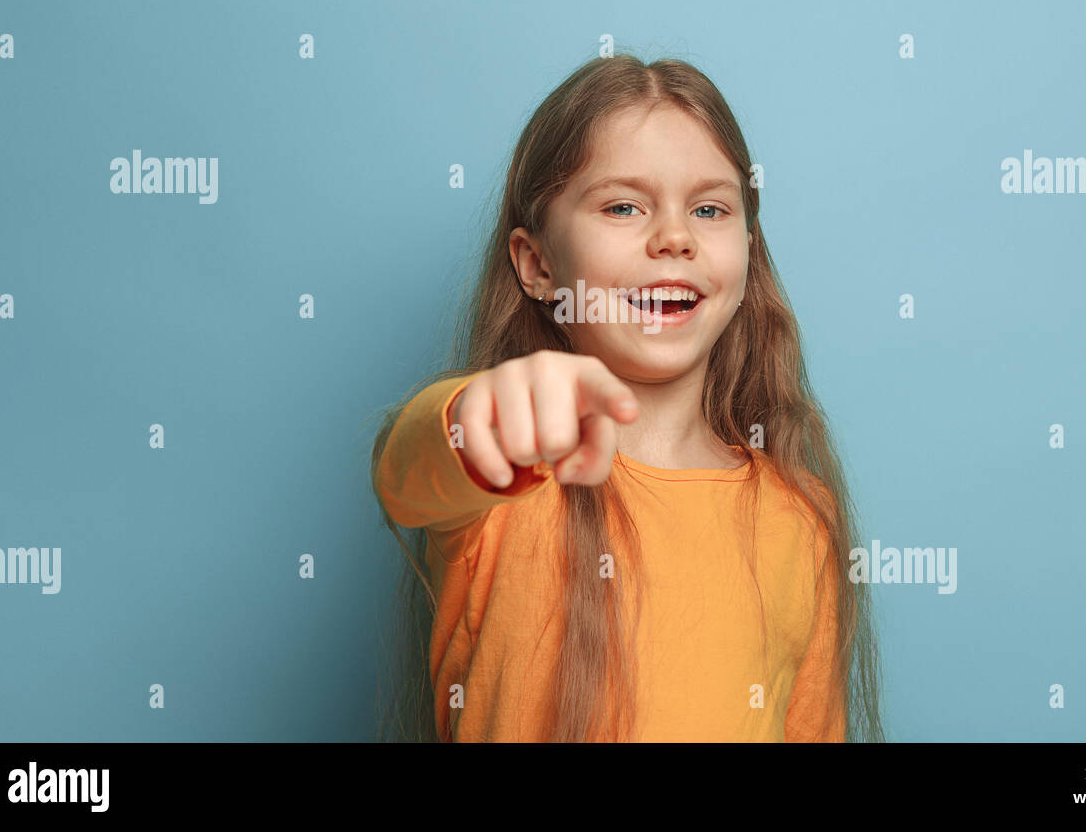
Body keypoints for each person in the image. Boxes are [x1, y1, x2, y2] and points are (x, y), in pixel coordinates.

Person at [369, 54, 883, 742]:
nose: (674, 237)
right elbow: (405, 470)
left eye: (709, 209)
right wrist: (486, 413)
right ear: (538, 264)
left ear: (747, 253)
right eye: (622, 206)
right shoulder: (501, 482)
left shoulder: (800, 521)